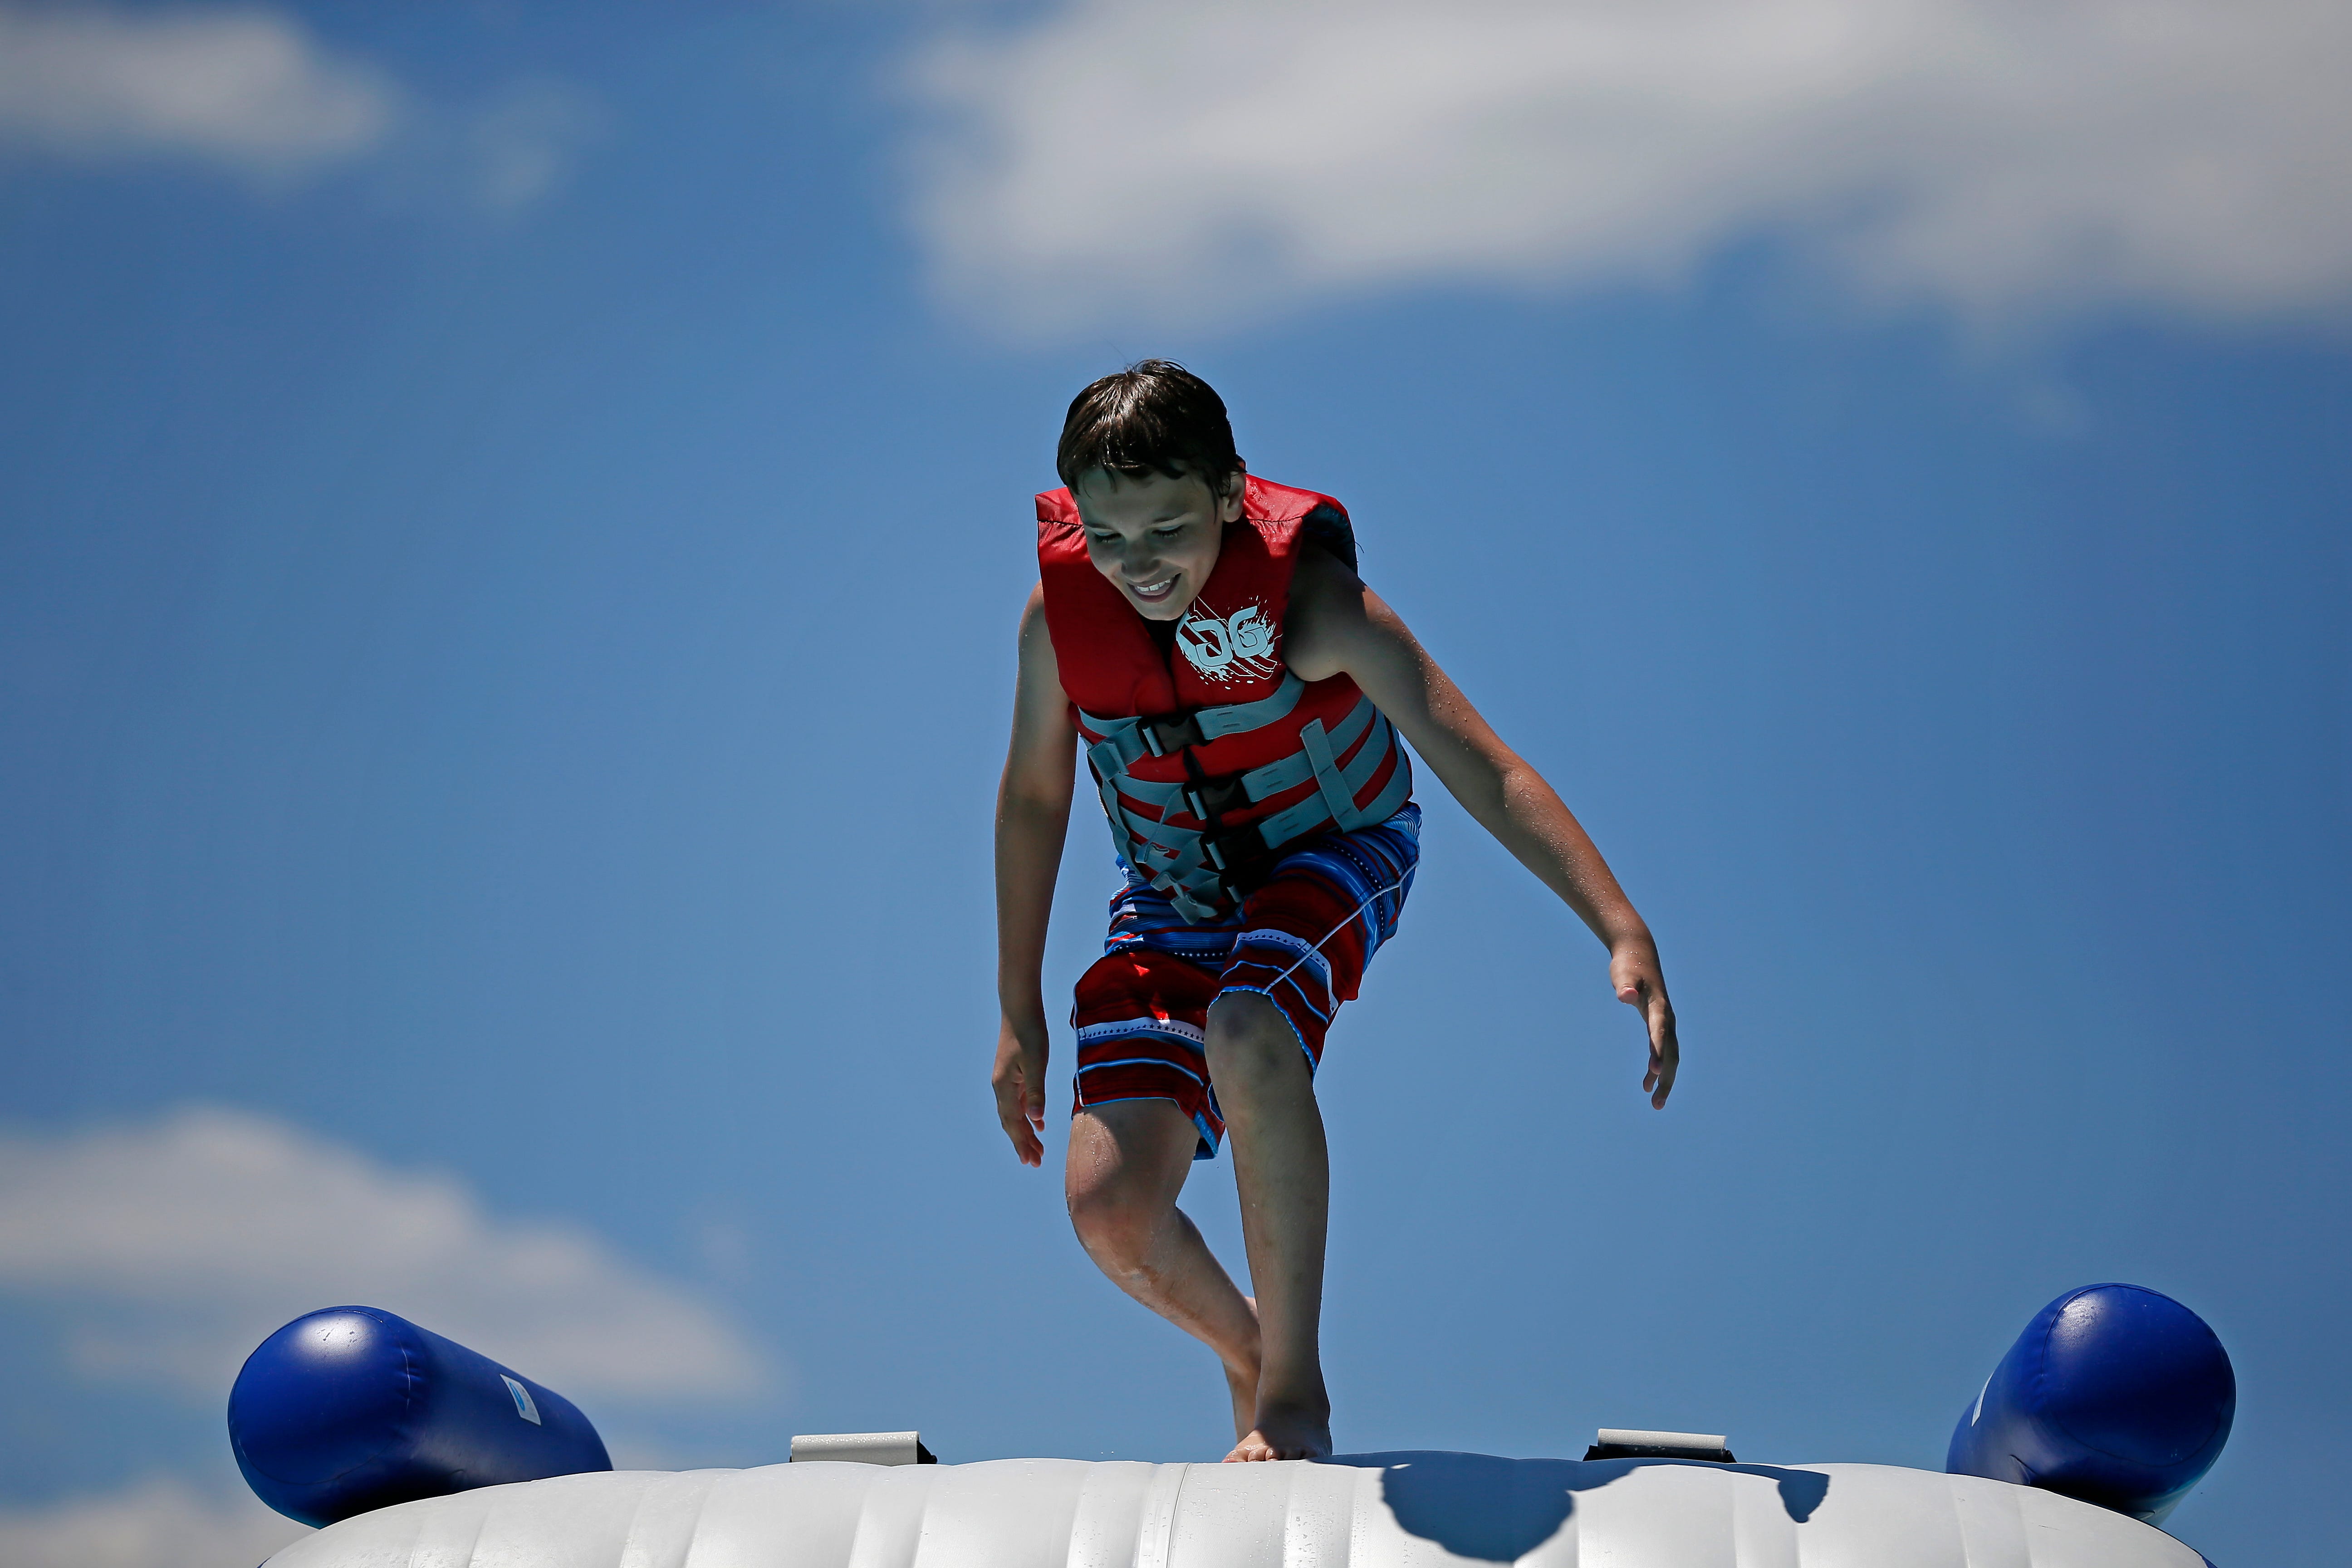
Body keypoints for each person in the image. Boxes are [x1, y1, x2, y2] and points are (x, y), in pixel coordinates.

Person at [991, 361, 1678, 1463]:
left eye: (1167, 527)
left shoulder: (1314, 611)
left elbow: (1483, 766)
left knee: (1248, 1030)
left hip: (1334, 851)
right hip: (1174, 896)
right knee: (1110, 1209)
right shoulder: (1057, 630)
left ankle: (1293, 1400)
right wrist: (1017, 1001)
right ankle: (1247, 1348)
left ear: (1228, 493)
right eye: (1108, 539)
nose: (1137, 566)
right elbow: (1034, 801)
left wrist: (1618, 924)